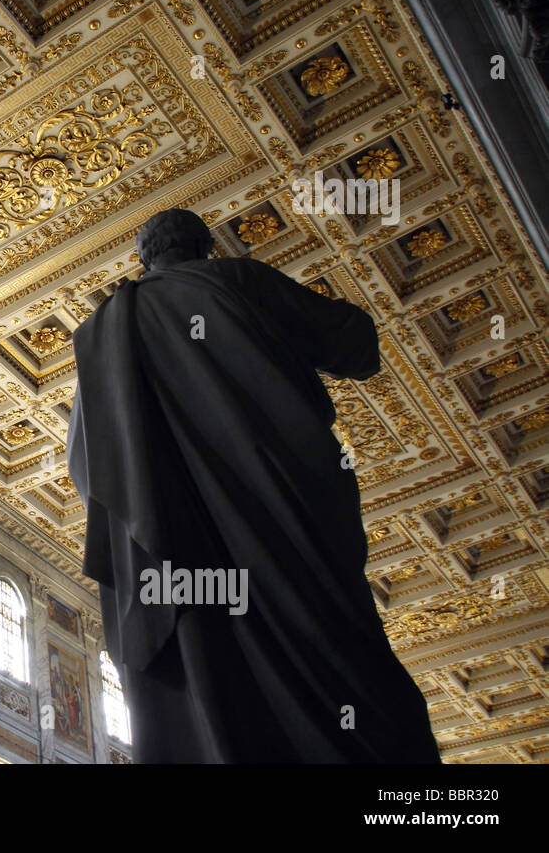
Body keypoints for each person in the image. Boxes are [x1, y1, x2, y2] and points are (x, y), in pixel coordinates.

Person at [68, 207, 441, 763]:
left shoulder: (105, 331)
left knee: (210, 668)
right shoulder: (237, 281)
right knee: (329, 645)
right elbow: (355, 345)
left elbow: (84, 462)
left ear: (144, 260)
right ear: (203, 247)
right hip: (272, 507)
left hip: (170, 545)